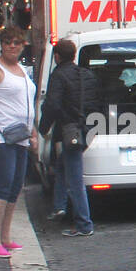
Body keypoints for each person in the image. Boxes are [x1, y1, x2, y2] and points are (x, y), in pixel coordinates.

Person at [0, 26, 37, 258]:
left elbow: (26, 105)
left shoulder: (22, 70)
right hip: (0, 136)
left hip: (19, 136)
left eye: (17, 42)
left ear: (23, 45)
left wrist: (32, 132)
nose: (12, 46)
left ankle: (5, 236)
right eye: (8, 42)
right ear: (2, 44)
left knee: (15, 188)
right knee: (1, 186)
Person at [39, 37, 100, 237]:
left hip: (69, 131)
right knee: (62, 166)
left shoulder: (58, 76)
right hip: (86, 130)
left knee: (74, 178)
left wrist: (43, 128)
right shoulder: (86, 75)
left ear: (56, 56)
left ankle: (84, 224)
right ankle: (59, 207)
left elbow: (53, 105)